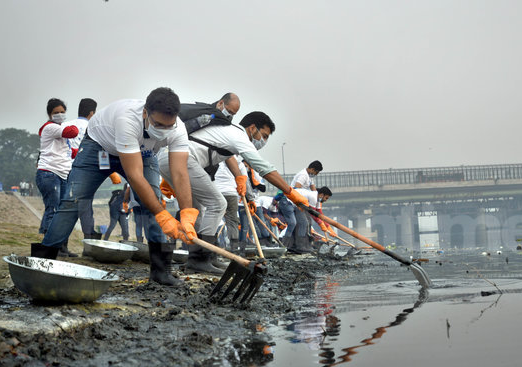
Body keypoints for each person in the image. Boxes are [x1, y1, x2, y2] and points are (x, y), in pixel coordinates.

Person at [34, 87, 197, 286]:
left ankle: (161, 272)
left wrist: (187, 213)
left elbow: (180, 173)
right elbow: (135, 176)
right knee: (73, 202)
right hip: (99, 147)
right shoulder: (127, 120)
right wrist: (163, 216)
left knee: (155, 203)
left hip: (142, 153)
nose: (163, 131)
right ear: (145, 113)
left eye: (168, 126)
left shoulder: (178, 129)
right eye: (158, 124)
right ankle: (42, 263)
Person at [158, 109, 308, 275]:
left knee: (198, 209)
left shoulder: (227, 133)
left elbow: (228, 156)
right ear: (252, 128)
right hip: (181, 159)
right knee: (217, 204)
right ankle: (200, 260)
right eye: (264, 135)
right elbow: (263, 167)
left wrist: (239, 178)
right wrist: (290, 192)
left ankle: (206, 258)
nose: (263, 141)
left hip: (171, 158)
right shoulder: (239, 135)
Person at [36, 98, 79, 257]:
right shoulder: (50, 127)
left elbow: (70, 152)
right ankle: (49, 248)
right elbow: (73, 132)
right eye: (56, 112)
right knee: (53, 210)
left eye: (62, 112)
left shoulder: (60, 132)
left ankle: (61, 247)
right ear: (50, 114)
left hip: (62, 174)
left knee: (62, 212)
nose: (60, 115)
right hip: (49, 173)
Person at [64, 98, 100, 239]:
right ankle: (89, 240)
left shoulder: (66, 125)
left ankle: (61, 244)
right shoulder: (93, 127)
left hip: (64, 170)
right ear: (92, 112)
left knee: (65, 207)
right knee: (85, 207)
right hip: (82, 172)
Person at [278, 160, 323, 251]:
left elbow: (314, 190)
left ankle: (303, 244)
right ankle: (300, 245)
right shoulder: (303, 175)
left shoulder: (309, 176)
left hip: (300, 202)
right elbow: (297, 189)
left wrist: (316, 199)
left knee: (305, 223)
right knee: (303, 223)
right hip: (295, 201)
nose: (316, 174)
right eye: (316, 172)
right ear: (312, 169)